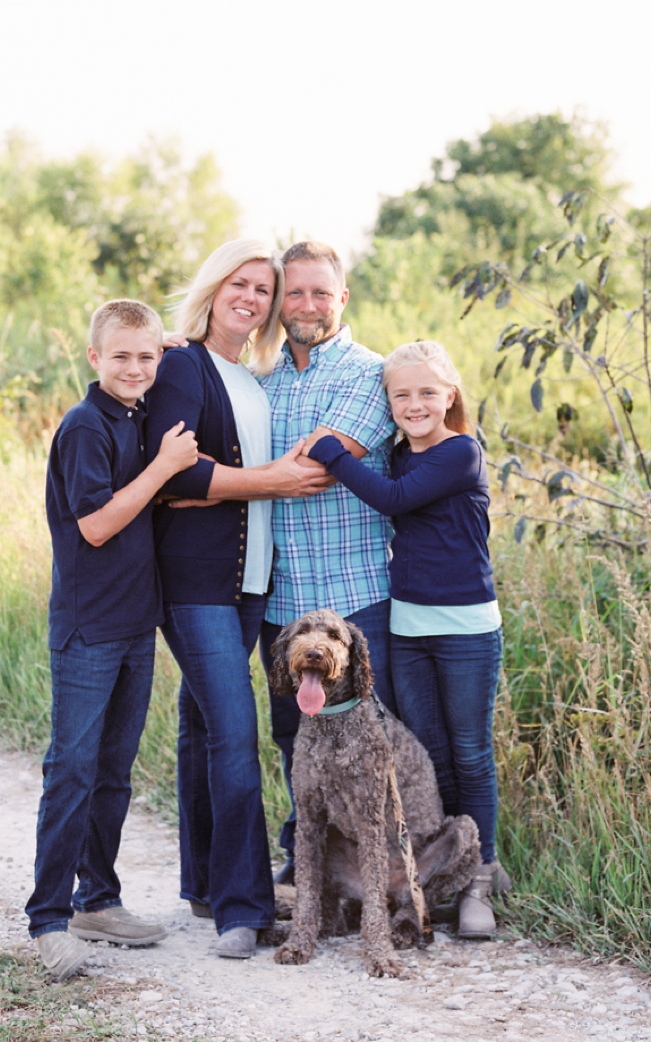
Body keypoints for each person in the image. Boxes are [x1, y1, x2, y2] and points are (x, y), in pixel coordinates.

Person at [146, 239, 332, 959]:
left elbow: (211, 478)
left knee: (199, 731)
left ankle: (202, 882)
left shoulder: (251, 380)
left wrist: (244, 480)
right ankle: (243, 908)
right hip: (195, 587)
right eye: (240, 283)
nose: (251, 297)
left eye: (265, 288)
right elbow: (175, 475)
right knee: (234, 733)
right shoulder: (184, 363)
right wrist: (271, 481)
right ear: (214, 286)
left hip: (251, 583)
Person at [304, 339, 510, 938]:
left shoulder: (460, 453)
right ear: (389, 403)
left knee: (470, 752)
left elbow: (391, 499)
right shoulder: (397, 453)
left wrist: (329, 451)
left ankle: (479, 879)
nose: (415, 403)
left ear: (450, 395)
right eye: (402, 394)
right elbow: (390, 484)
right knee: (429, 751)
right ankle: (433, 877)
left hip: (466, 625)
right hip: (409, 623)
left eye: (427, 392)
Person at [27, 299, 199, 981]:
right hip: (87, 627)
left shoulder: (136, 411)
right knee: (71, 769)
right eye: (120, 355)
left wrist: (172, 344)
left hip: (134, 624)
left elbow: (156, 349)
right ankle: (48, 921)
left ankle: (97, 899)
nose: (135, 367)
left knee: (113, 773)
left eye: (147, 357)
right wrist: (161, 469)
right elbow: (96, 525)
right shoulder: (84, 427)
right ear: (93, 358)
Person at [258, 240, 397, 882]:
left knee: (372, 745)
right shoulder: (262, 383)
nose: (307, 304)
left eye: (321, 292)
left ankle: (391, 873)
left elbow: (313, 470)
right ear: (279, 302)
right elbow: (284, 467)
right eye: (295, 292)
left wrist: (253, 472)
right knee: (296, 738)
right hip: (284, 603)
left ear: (343, 298)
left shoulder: (371, 374)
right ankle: (307, 866)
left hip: (358, 596)